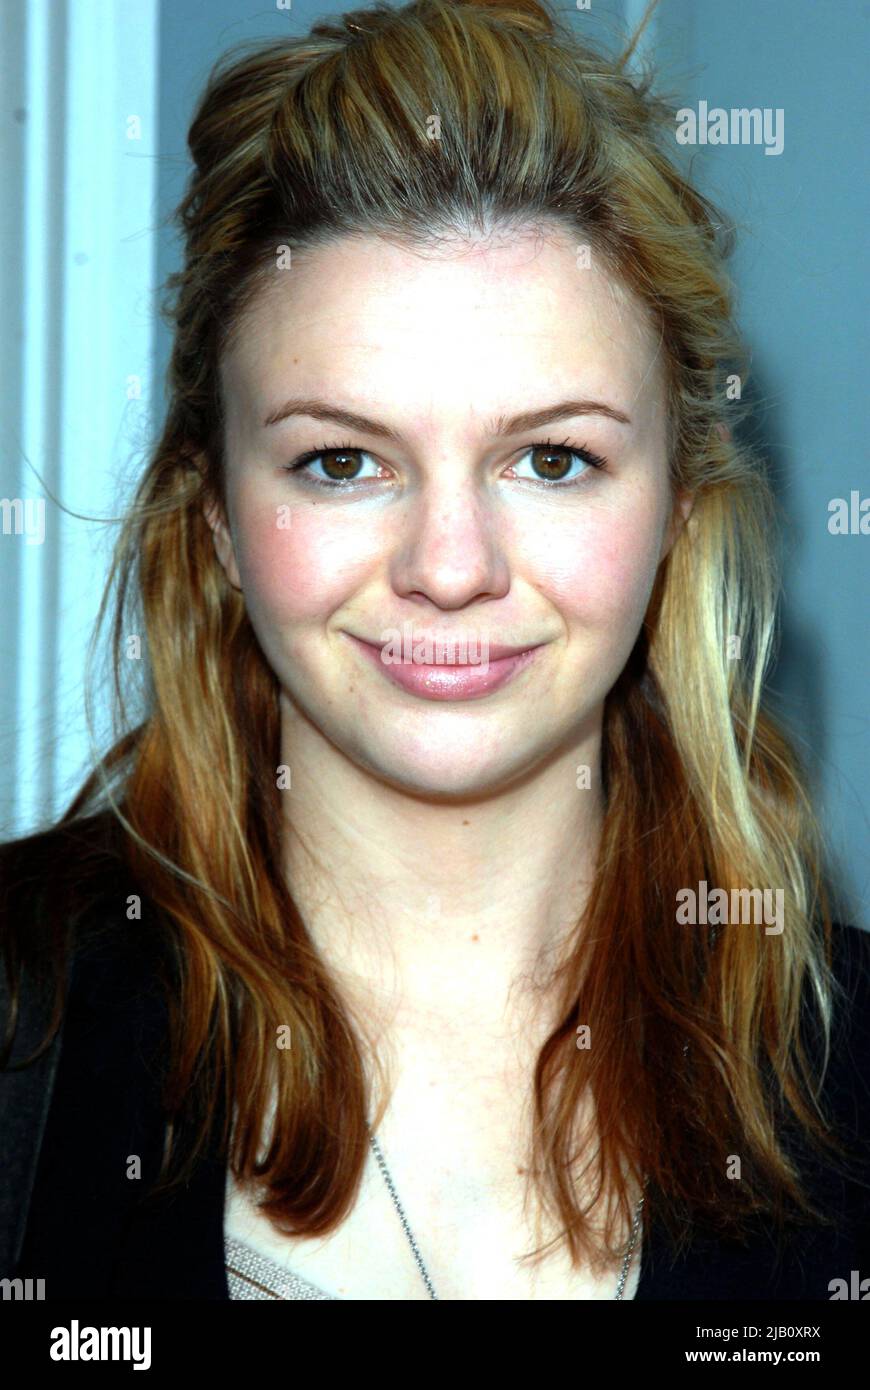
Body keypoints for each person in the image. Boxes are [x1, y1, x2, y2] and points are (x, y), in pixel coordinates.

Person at [1, 0, 868, 1302]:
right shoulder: (24, 1022)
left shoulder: (847, 1077)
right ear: (220, 515)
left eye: (552, 458)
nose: (449, 564)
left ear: (678, 513)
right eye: (341, 461)